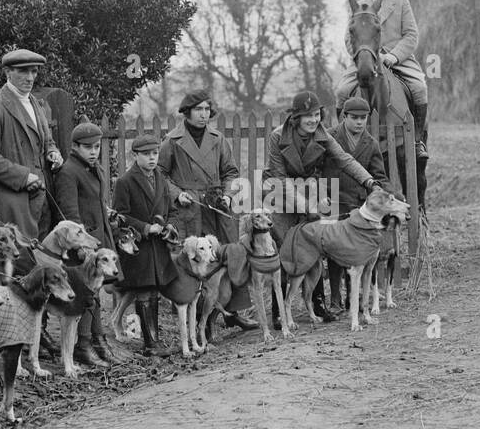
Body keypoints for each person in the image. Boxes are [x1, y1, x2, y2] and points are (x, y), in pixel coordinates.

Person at [266, 90, 378, 324]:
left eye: (316, 114)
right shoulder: (277, 137)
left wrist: (369, 181)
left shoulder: (323, 135)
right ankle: (279, 310)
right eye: (307, 116)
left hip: (310, 188)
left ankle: (317, 304)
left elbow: (345, 159)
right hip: (280, 191)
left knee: (316, 243)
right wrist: (306, 207)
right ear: (296, 118)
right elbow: (280, 178)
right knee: (285, 246)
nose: (313, 120)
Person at [157, 89, 257, 331]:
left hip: (216, 206)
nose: (204, 115)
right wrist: (176, 194)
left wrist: (227, 194)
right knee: (192, 261)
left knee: (228, 256)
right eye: (198, 110)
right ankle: (194, 321)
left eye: (206, 110)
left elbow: (231, 172)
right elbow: (160, 173)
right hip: (189, 208)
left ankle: (232, 312)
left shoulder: (218, 138)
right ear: (187, 112)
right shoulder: (173, 141)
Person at [337, 0, 429, 158]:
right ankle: (340, 143)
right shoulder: (359, 6)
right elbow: (348, 36)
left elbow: (411, 35)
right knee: (342, 90)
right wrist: (364, 55)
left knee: (419, 87)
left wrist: (394, 56)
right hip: (365, 59)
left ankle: (418, 140)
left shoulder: (401, 3)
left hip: (399, 60)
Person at [112, 134, 194, 357]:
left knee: (154, 293)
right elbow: (121, 217)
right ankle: (149, 344)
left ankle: (154, 341)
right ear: (135, 155)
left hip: (158, 248)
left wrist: (170, 227)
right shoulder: (125, 182)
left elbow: (173, 211)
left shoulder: (160, 178)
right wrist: (146, 228)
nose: (152, 158)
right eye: (146, 154)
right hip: (139, 249)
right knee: (143, 294)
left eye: (155, 153)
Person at [53, 122, 125, 367]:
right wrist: (82, 249)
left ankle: (99, 340)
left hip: (98, 240)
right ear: (74, 147)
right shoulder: (68, 171)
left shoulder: (95, 169)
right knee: (84, 296)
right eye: (87, 147)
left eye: (96, 147)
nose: (93, 151)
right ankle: (83, 345)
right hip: (82, 248)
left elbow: (95, 201)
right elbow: (70, 213)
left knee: (94, 295)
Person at [0, 49, 63, 241]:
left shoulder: (35, 104)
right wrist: (23, 176)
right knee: (19, 259)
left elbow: (47, 141)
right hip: (15, 201)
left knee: (43, 257)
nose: (30, 78)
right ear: (8, 73)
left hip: (44, 197)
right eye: (23, 71)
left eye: (34, 71)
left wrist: (53, 152)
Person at [324, 96, 390, 308]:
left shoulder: (370, 143)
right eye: (354, 118)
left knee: (357, 252)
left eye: (363, 118)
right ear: (344, 116)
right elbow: (317, 168)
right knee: (335, 250)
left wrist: (383, 190)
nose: (359, 122)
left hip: (358, 205)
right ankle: (335, 299)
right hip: (333, 201)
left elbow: (379, 175)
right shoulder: (329, 137)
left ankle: (356, 300)